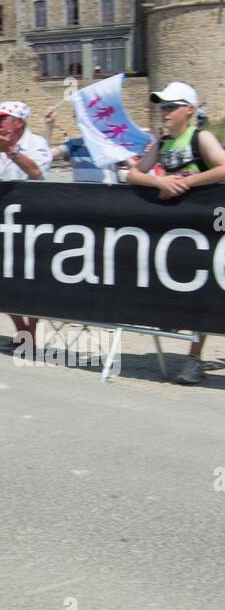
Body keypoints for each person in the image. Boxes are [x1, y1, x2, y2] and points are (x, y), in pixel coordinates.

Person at [126, 82, 225, 385]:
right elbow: (133, 173)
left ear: (190, 110)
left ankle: (194, 359)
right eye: (162, 107)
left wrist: (187, 182)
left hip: (207, 229)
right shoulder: (160, 143)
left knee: (206, 294)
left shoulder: (201, 137)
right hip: (173, 234)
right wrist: (160, 183)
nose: (164, 113)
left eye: (171, 107)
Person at [0, 101, 52, 353]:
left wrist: (11, 150)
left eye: (3, 118)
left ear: (18, 122)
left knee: (31, 279)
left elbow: (36, 171)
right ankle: (21, 332)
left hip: (31, 221)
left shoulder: (37, 144)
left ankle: (32, 333)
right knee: (2, 278)